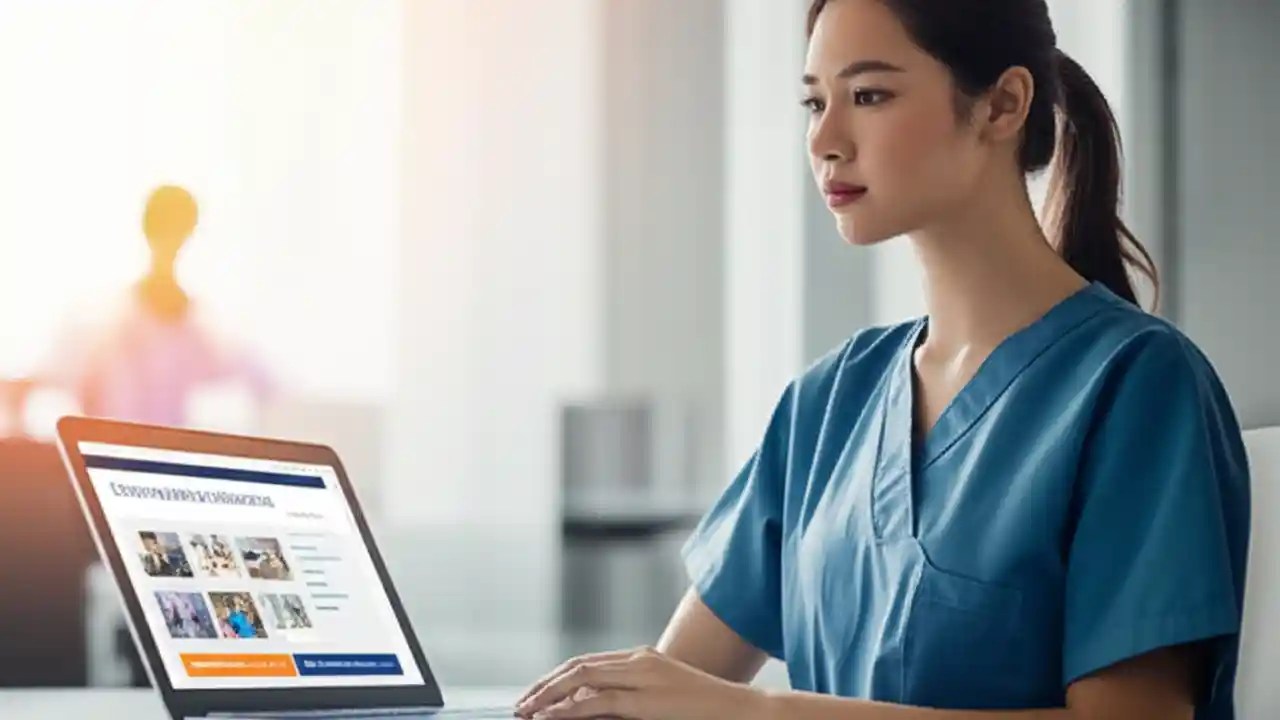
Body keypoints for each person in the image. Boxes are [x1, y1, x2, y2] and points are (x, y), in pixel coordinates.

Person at [516, 1, 1250, 719]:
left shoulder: (1138, 385)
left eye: (869, 95)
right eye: (813, 103)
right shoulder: (827, 402)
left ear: (1002, 105)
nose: (825, 139)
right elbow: (671, 689)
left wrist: (758, 714)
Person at [16, 184, 272, 429]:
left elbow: (268, 388)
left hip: (167, 464)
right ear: (146, 227)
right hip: (104, 463)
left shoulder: (206, 329)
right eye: (163, 225)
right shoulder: (96, 319)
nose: (170, 238)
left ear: (191, 233)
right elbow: (31, 386)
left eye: (179, 227)